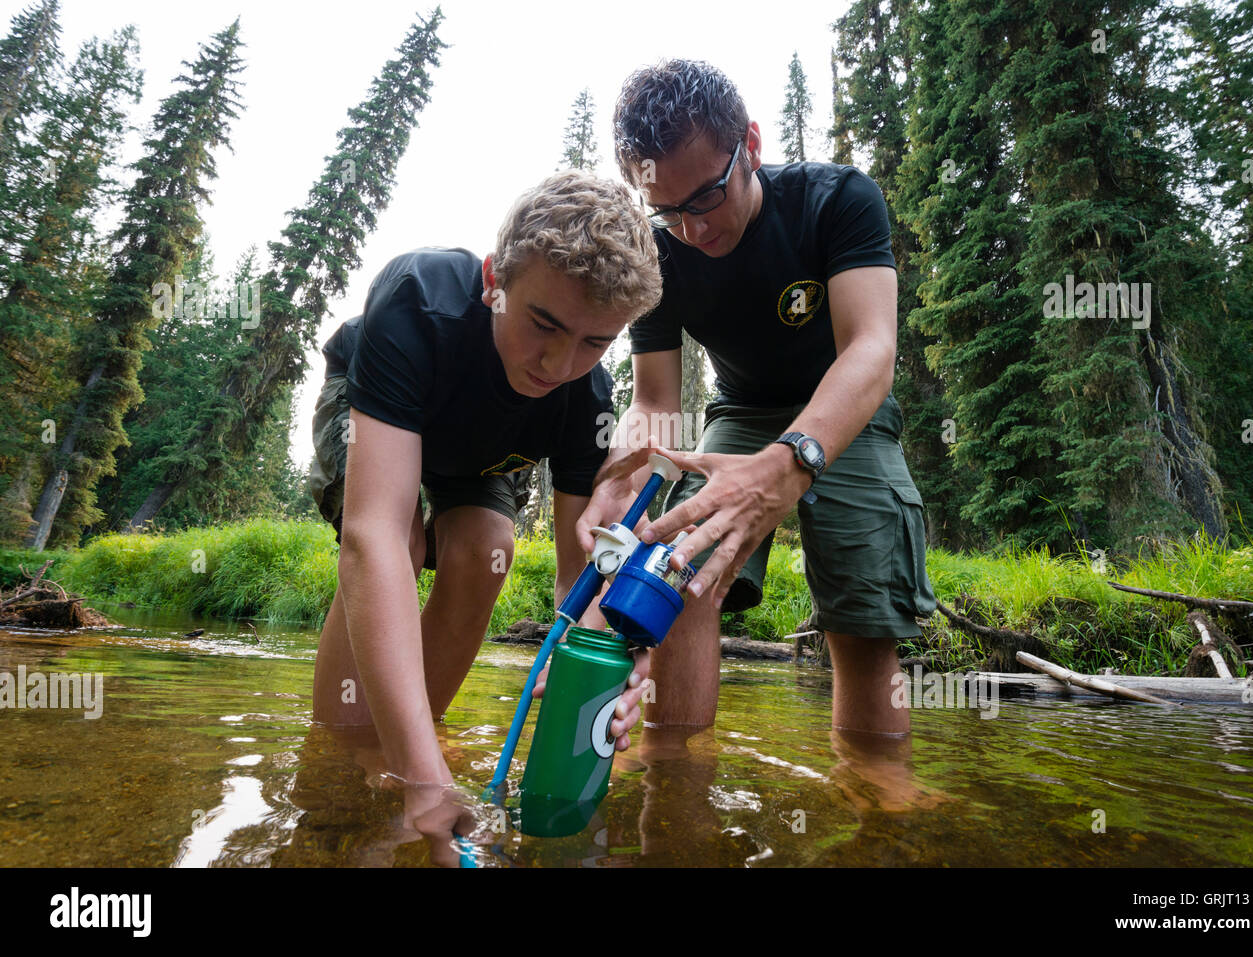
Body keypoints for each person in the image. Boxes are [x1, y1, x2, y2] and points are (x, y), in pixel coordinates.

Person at [579, 59, 937, 737]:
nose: (692, 230)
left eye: (707, 198)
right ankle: (677, 794)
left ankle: (875, 792)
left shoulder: (836, 201)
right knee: (677, 575)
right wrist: (623, 476)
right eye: (668, 210)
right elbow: (654, 400)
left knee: (864, 616)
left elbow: (871, 350)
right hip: (740, 414)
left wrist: (793, 458)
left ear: (750, 144)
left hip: (845, 408)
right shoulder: (660, 253)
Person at [307, 170, 662, 840]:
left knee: (488, 548)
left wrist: (600, 667)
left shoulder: (583, 395)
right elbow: (372, 534)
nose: (558, 363)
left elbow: (577, 578)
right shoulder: (417, 300)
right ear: (496, 278)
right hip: (378, 414)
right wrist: (426, 779)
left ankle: (410, 754)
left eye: (594, 342)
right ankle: (333, 771)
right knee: (404, 543)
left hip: (479, 454)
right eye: (545, 324)